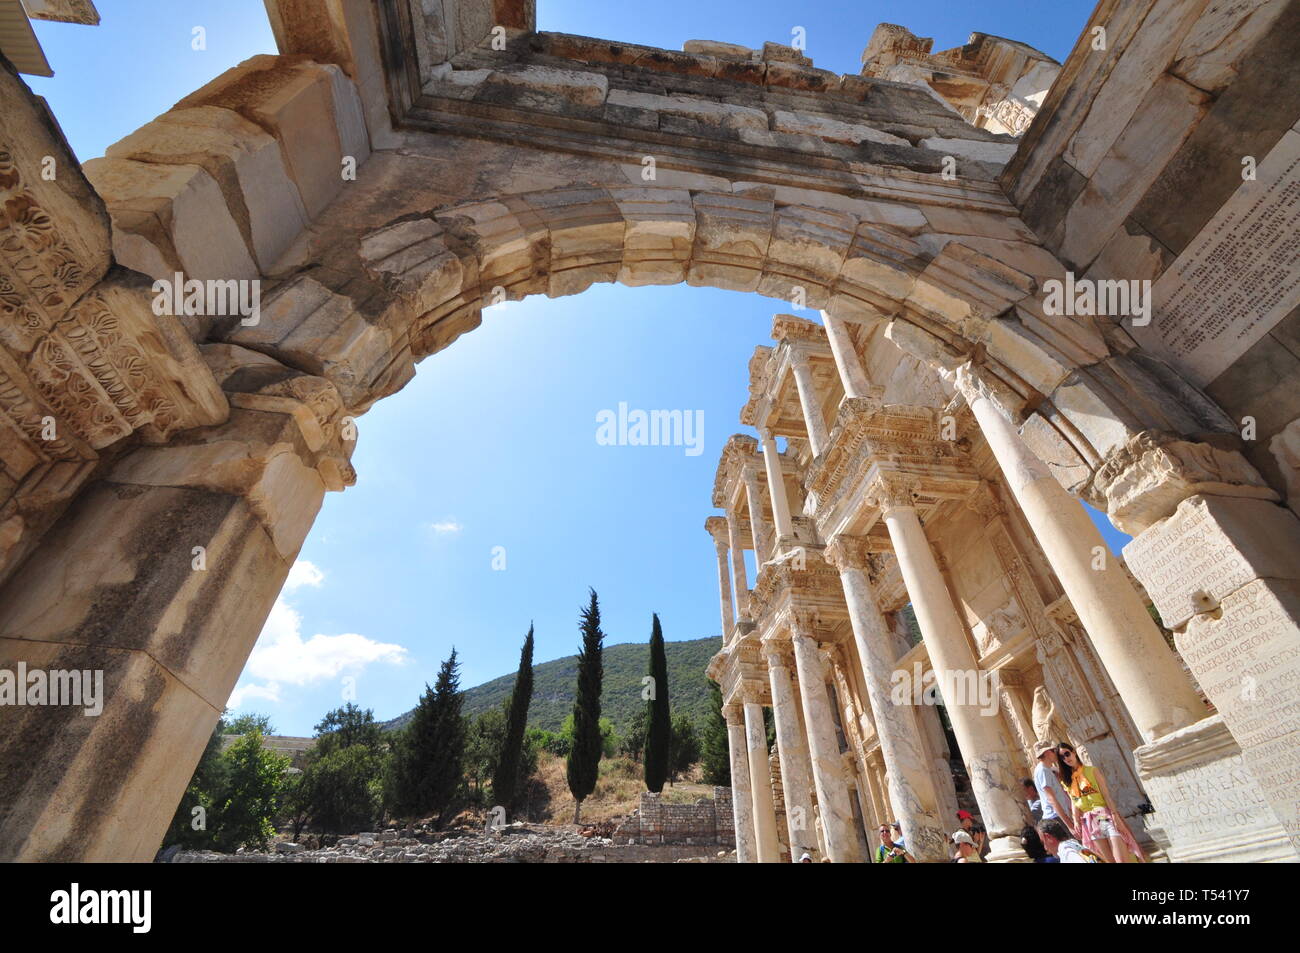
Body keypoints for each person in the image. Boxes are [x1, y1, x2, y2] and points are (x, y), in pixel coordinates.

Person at [1057, 743, 1146, 863]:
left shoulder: (1092, 771)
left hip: (1102, 816)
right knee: (1107, 861)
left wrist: (1115, 816)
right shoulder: (1067, 781)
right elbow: (1074, 801)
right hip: (1089, 821)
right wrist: (1076, 821)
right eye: (1062, 757)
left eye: (1067, 754)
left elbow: (1106, 796)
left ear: (1073, 752)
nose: (1066, 758)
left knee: (1121, 859)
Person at [1033, 741, 1075, 836]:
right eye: (1054, 750)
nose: (1057, 753)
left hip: (1057, 816)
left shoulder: (1046, 769)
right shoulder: (1043, 770)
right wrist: (1069, 825)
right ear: (1047, 752)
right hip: (1055, 817)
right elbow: (1051, 798)